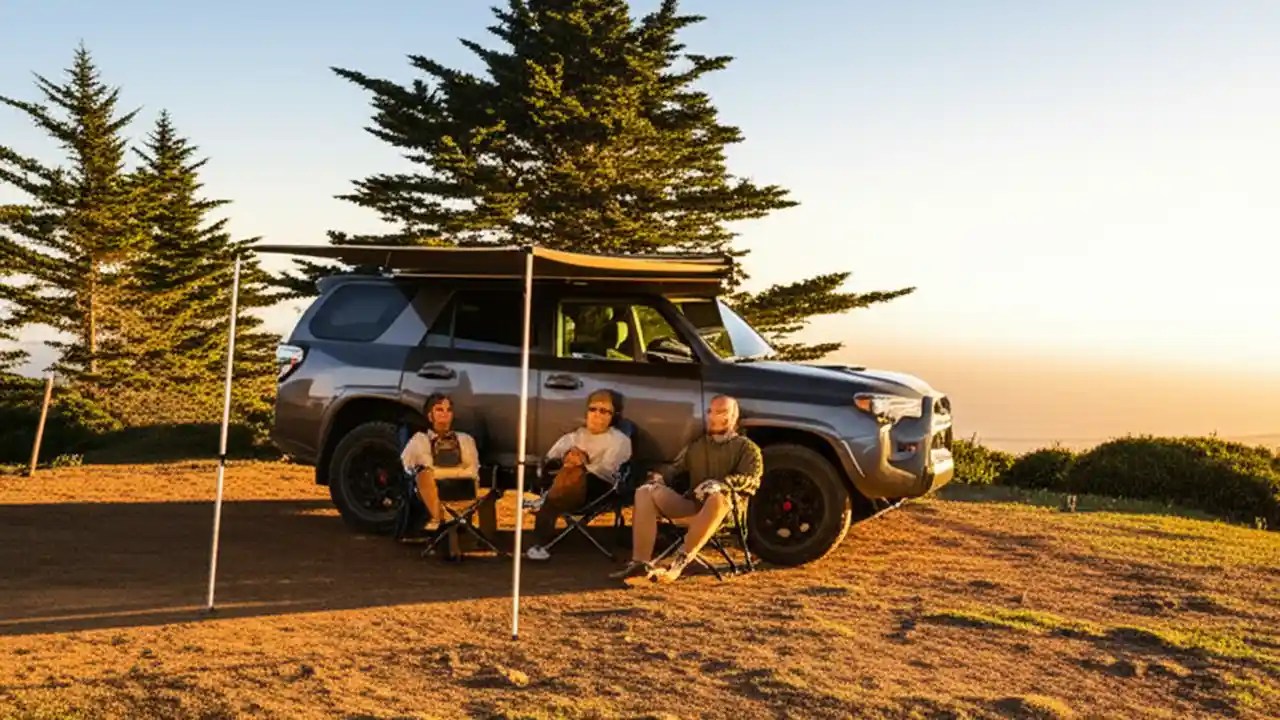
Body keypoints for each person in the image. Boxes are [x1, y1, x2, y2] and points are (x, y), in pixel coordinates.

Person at [612, 394, 762, 584]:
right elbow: (675, 468)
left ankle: (678, 563)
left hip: (725, 512)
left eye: (722, 412)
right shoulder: (698, 446)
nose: (714, 417)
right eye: (711, 412)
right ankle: (640, 564)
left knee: (717, 497)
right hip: (693, 504)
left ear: (734, 417)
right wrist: (659, 477)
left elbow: (752, 479)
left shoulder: (748, 449)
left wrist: (722, 484)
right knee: (645, 491)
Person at [525, 389, 632, 561]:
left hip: (597, 487)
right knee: (565, 473)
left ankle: (541, 522)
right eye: (593, 409)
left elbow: (608, 470)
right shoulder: (575, 436)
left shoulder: (619, 440)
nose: (597, 415)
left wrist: (583, 463)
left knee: (571, 477)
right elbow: (550, 460)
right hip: (563, 484)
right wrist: (567, 458)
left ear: (613, 417)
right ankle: (547, 506)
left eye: (604, 411)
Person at [400, 393, 481, 533]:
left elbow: (472, 470)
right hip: (431, 488)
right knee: (423, 474)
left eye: (448, 410)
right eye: (439, 409)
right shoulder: (419, 440)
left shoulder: (465, 439)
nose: (444, 414)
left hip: (463, 487)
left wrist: (439, 472)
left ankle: (451, 518)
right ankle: (438, 518)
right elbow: (407, 467)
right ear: (430, 415)